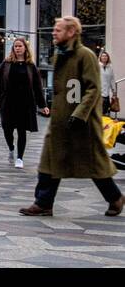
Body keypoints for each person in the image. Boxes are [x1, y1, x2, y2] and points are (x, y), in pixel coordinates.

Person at [20, 16, 124, 217]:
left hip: (81, 123)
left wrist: (79, 114)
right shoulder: (60, 55)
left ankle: (115, 197)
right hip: (60, 121)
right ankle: (43, 202)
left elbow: (93, 89)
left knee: (94, 164)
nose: (54, 33)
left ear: (71, 32)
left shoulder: (86, 56)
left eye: (58, 30)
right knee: (49, 161)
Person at [0, 38, 46, 169]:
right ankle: (11, 147)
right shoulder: (6, 64)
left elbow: (38, 87)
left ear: (25, 48)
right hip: (8, 102)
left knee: (22, 131)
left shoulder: (31, 66)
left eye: (20, 46)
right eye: (15, 46)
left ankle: (20, 157)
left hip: (25, 103)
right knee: (7, 129)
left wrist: (43, 105)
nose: (18, 48)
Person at [101, 51, 117, 118]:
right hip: (99, 93)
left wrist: (114, 92)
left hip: (106, 93)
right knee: (98, 112)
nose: (104, 57)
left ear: (108, 58)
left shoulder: (110, 68)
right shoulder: (97, 66)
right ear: (100, 58)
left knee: (105, 112)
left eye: (106, 56)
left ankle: (104, 126)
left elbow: (112, 80)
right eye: (103, 56)